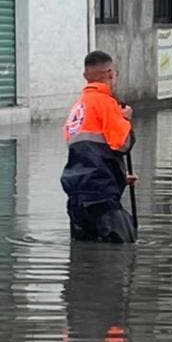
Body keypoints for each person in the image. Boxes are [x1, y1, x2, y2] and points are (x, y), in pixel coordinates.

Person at [60, 50, 137, 243]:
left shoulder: (78, 108)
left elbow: (85, 154)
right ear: (110, 73)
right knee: (124, 249)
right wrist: (125, 120)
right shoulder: (106, 103)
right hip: (101, 199)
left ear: (85, 77)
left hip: (77, 199)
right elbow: (122, 144)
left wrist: (120, 177)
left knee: (82, 258)